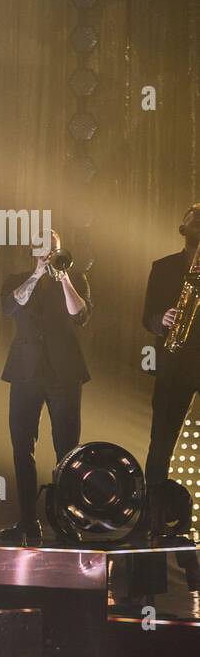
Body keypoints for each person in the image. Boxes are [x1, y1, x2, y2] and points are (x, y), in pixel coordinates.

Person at [0, 231, 90, 545]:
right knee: (22, 447)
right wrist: (38, 274)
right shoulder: (17, 278)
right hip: (25, 373)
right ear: (32, 250)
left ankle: (66, 520)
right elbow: (9, 307)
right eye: (43, 247)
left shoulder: (74, 276)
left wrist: (62, 277)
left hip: (64, 373)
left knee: (67, 449)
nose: (49, 251)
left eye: (53, 246)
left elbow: (80, 314)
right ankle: (28, 521)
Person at [142, 204, 200, 488]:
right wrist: (161, 319)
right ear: (183, 228)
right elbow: (146, 317)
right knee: (162, 440)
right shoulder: (162, 267)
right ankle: (153, 516)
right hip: (174, 362)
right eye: (195, 219)